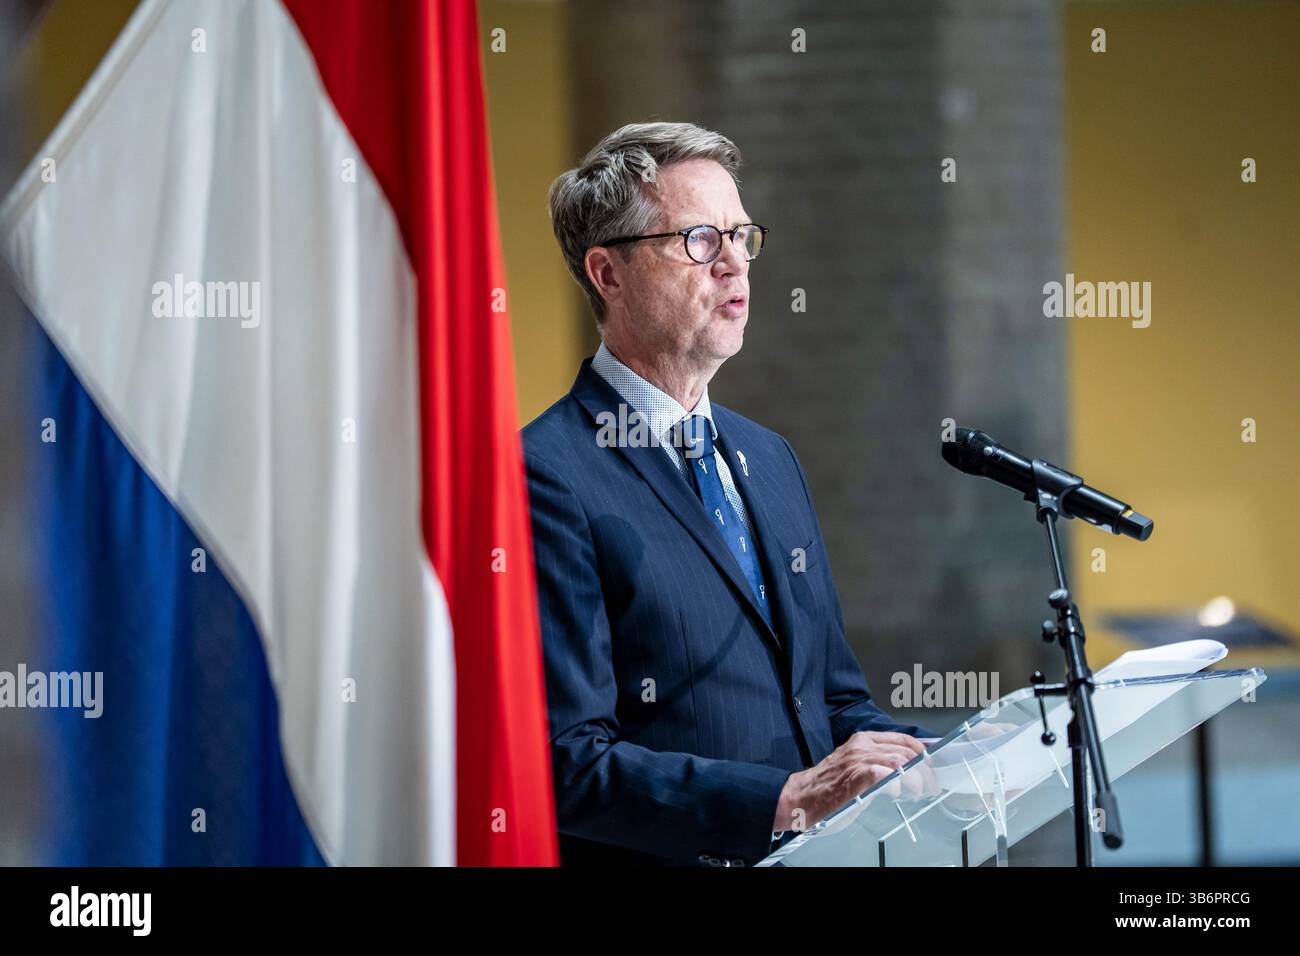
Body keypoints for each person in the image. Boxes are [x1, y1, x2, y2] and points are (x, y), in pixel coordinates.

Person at [523, 122, 939, 866]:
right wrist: (783, 800)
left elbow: (832, 697)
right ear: (607, 274)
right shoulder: (546, 474)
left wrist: (930, 757)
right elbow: (564, 762)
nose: (734, 262)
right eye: (699, 240)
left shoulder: (767, 457)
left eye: (742, 235)